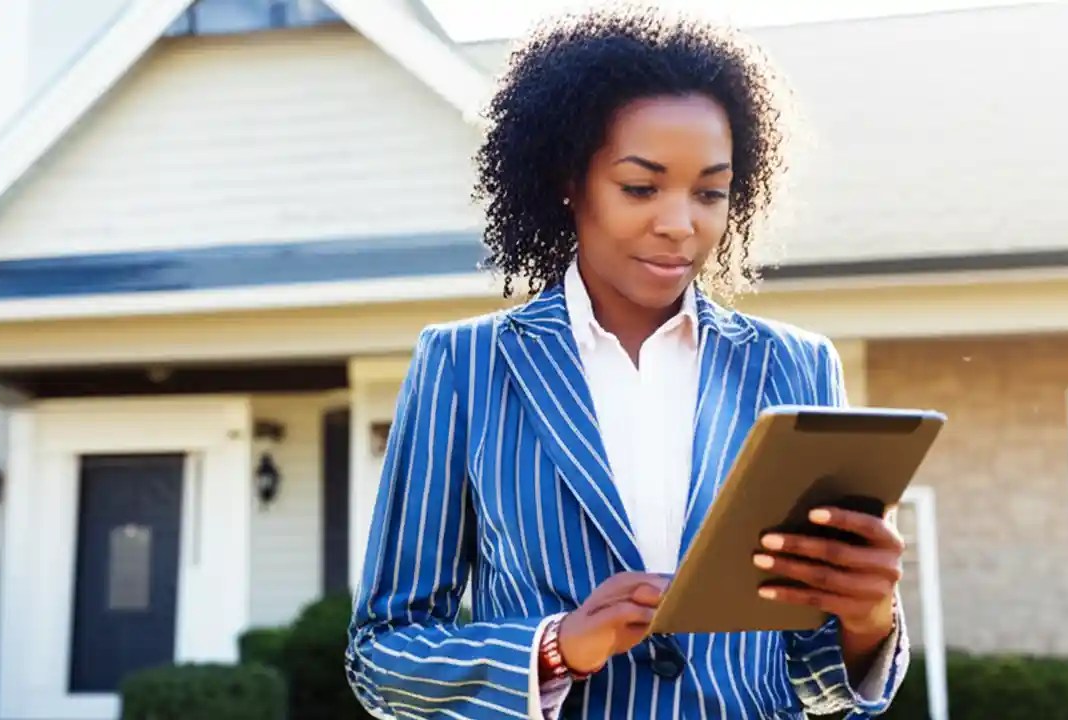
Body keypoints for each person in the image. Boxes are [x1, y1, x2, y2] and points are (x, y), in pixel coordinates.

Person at [345, 5, 908, 718]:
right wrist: (554, 649)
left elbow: (815, 683)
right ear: (568, 181)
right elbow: (383, 655)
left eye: (710, 191)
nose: (681, 223)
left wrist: (866, 622)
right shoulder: (465, 366)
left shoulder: (795, 368)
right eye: (641, 187)